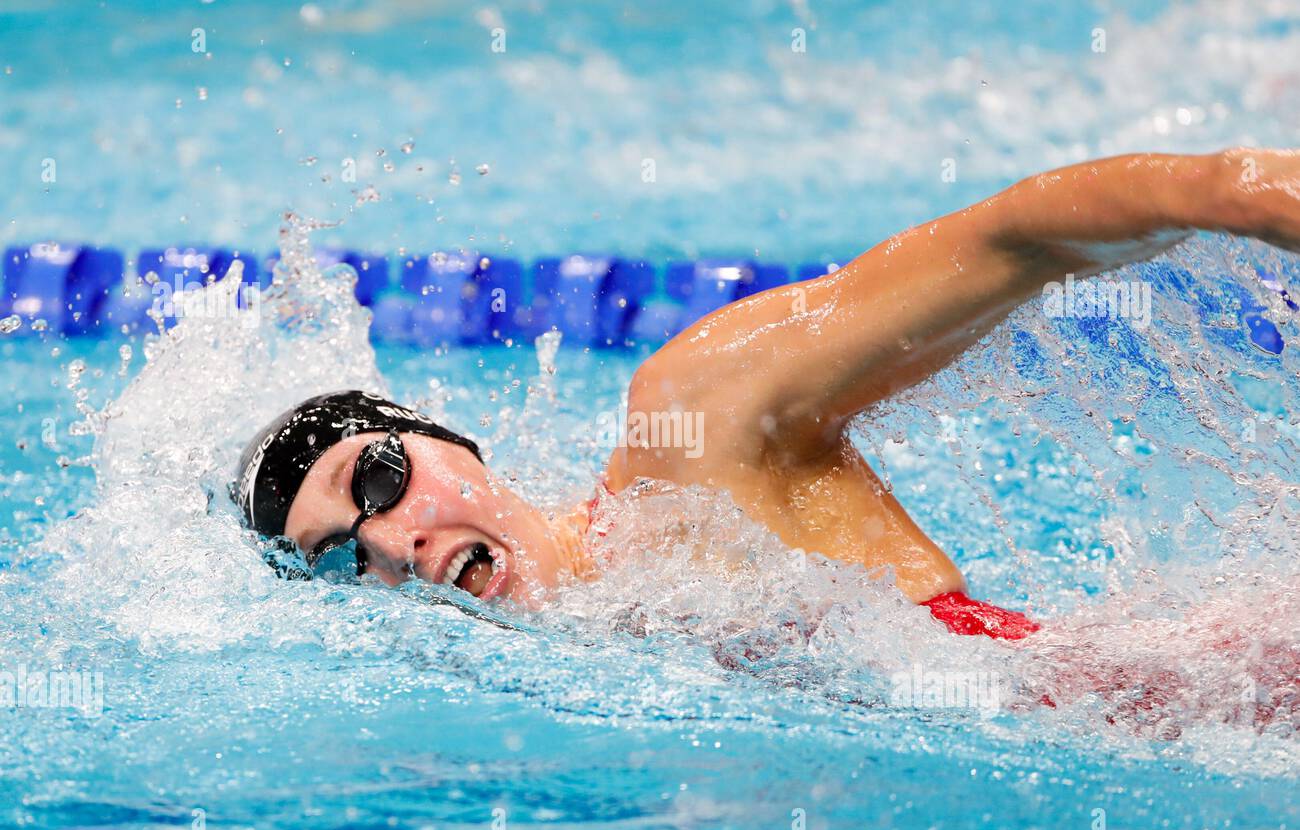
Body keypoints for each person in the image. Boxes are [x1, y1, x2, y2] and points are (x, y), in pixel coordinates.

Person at [234, 149, 1300, 640]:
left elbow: (1012, 234)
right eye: (338, 560)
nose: (391, 544)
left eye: (374, 478)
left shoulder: (687, 435)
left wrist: (1232, 192)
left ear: (450, 441)